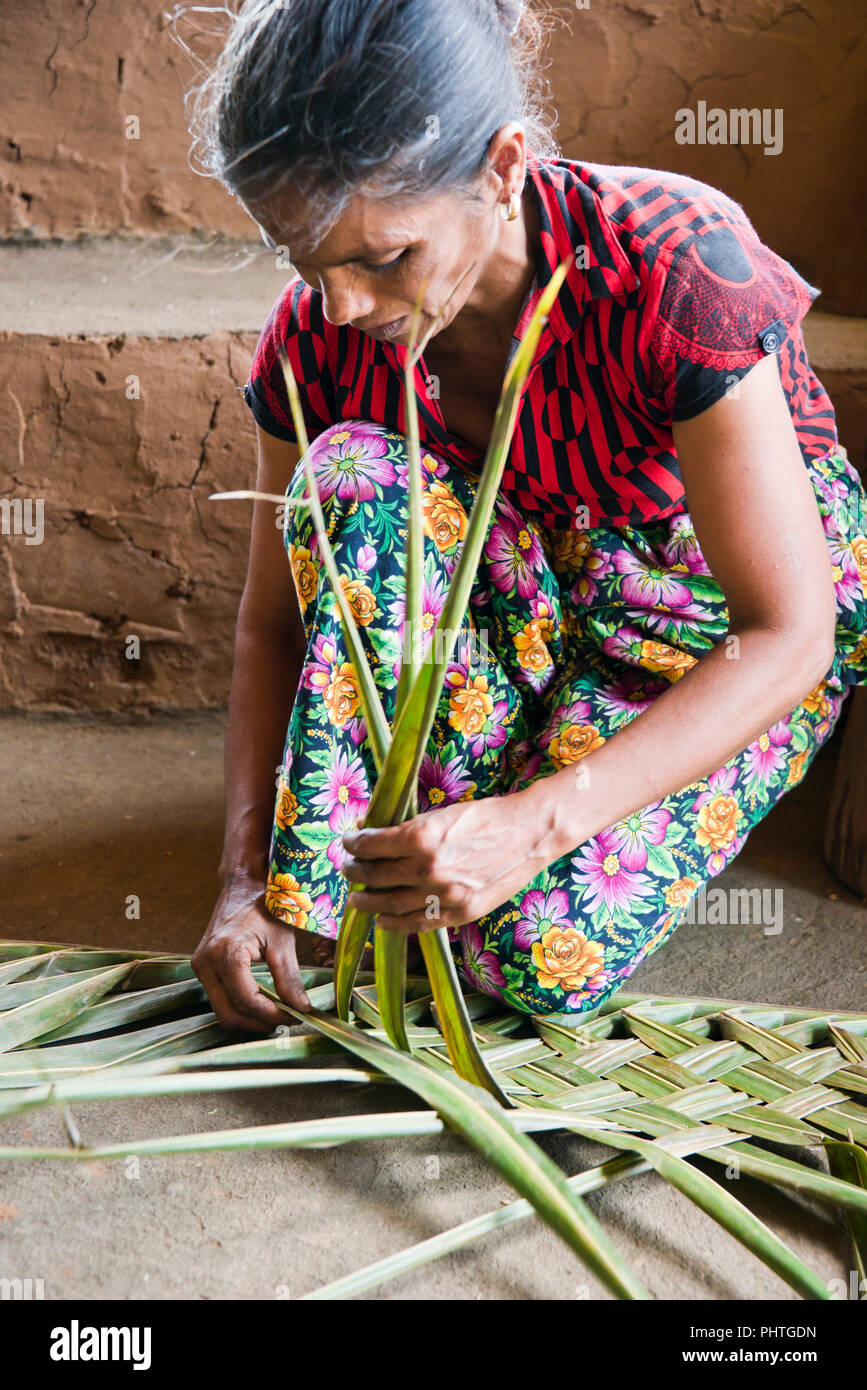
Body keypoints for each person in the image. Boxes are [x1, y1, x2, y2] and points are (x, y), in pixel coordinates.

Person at [187, 0, 867, 1033]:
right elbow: (269, 624)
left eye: (382, 257)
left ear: (502, 167)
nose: (341, 306)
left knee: (526, 951)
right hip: (529, 607)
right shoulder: (320, 339)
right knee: (351, 478)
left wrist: (536, 824)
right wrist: (244, 878)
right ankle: (467, 796)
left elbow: (787, 631)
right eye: (301, 259)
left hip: (707, 629)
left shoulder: (674, 265)